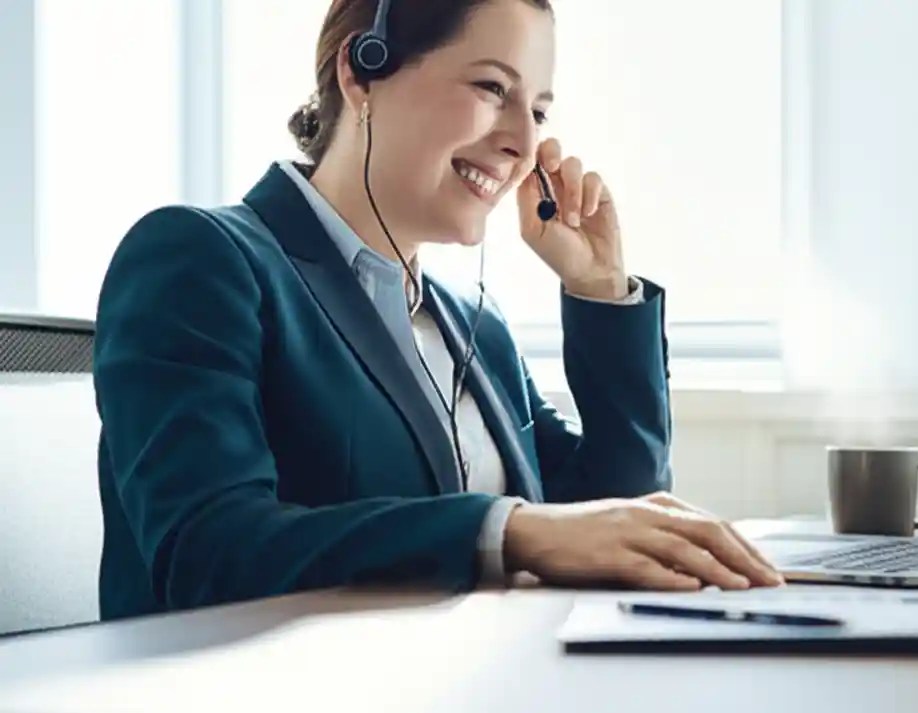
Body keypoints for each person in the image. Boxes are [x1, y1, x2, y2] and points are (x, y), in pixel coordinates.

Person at [93, 0, 782, 621]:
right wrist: (509, 533)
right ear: (362, 73)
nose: (523, 142)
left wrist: (600, 290)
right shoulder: (200, 259)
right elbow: (208, 552)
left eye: (538, 111)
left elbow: (612, 520)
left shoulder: (470, 327)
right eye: (491, 88)